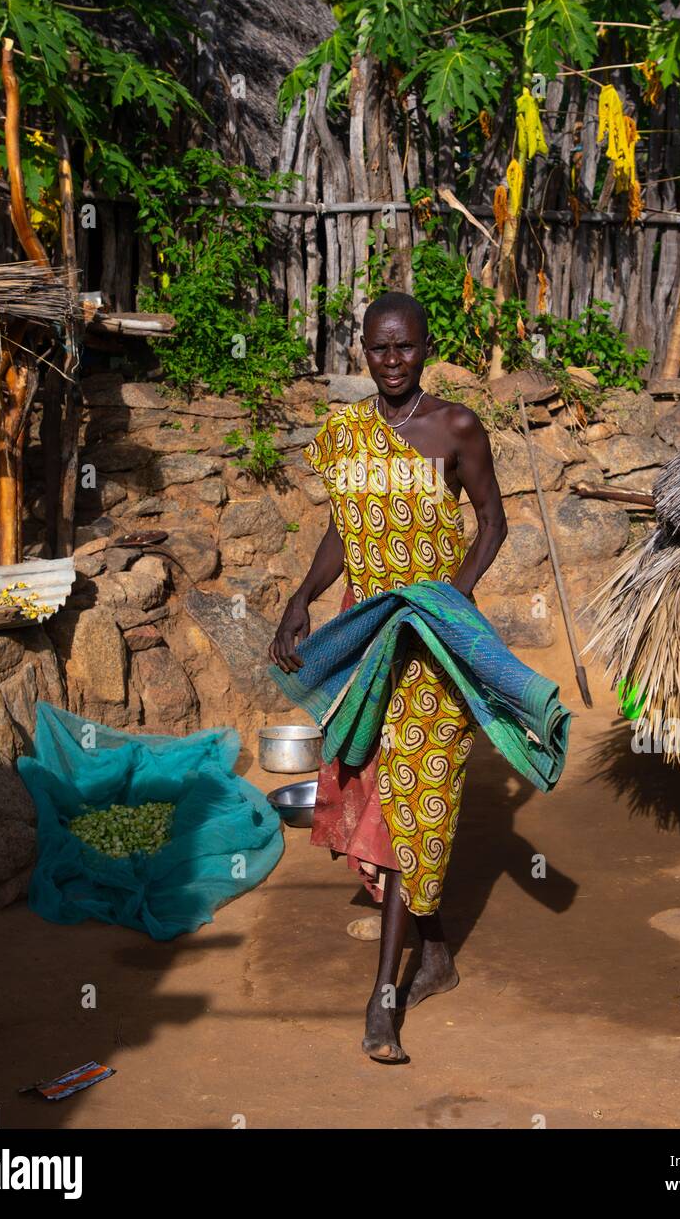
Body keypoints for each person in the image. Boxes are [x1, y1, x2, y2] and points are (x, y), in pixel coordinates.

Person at [269, 292, 507, 1062]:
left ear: (425, 346)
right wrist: (301, 598)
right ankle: (433, 953)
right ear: (362, 351)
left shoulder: (455, 426)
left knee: (415, 805)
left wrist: (453, 597)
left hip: (435, 647)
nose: (392, 361)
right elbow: (343, 526)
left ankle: (382, 998)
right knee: (381, 796)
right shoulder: (343, 434)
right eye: (378, 349)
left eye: (404, 348)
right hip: (371, 644)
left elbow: (490, 521)